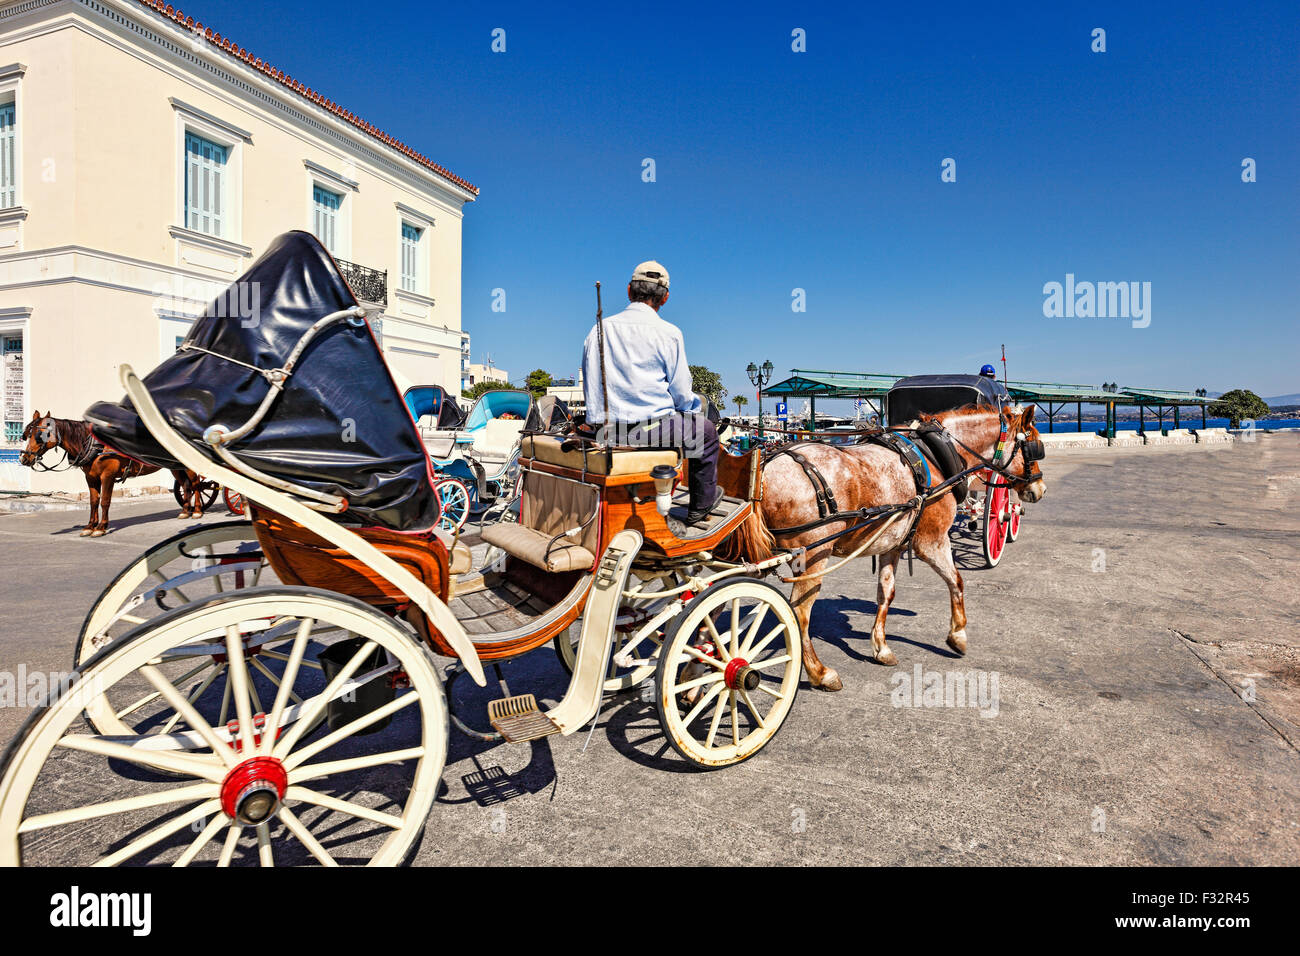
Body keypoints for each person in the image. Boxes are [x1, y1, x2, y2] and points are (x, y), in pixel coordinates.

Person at [582, 261, 722, 524]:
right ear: (665, 298)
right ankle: (701, 507)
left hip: (605, 430)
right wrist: (692, 414)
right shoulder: (669, 333)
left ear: (628, 290)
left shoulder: (598, 329)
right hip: (648, 429)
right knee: (706, 433)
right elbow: (681, 393)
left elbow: (590, 386)